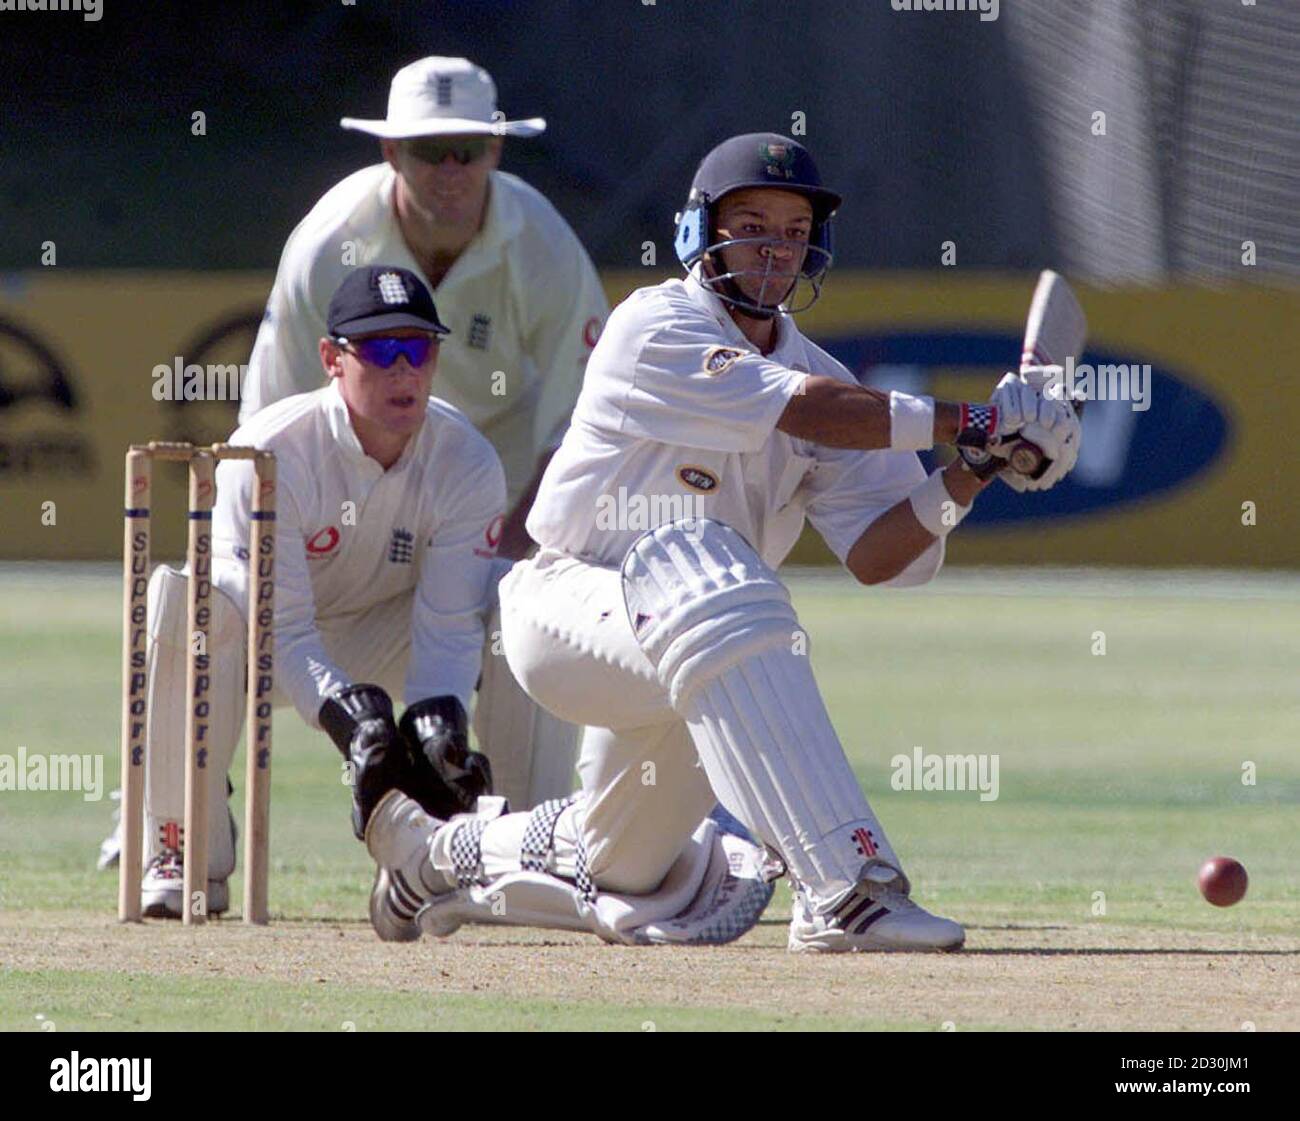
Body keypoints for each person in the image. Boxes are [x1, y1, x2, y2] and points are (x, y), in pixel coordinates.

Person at [347, 134, 1082, 951]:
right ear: (699, 233)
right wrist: (977, 417)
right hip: (568, 612)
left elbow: (884, 558)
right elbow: (801, 408)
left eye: (794, 231)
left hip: (707, 655)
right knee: (706, 559)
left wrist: (973, 469)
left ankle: (432, 854)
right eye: (752, 225)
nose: (774, 248)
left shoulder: (819, 374)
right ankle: (844, 888)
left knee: (622, 866)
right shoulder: (653, 326)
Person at [240, 55, 609, 804]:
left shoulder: (542, 246)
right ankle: (174, 830)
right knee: (212, 602)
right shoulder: (326, 242)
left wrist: (520, 532)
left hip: (493, 486)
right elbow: (269, 413)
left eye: (468, 149)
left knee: (523, 609)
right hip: (342, 490)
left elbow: (588, 413)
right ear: (389, 152)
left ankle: (519, 829)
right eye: (426, 150)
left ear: (497, 151)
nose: (450, 168)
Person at [131, 266, 503, 919]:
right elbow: (287, 627)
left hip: (384, 632)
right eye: (382, 350)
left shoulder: (466, 459)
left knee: (518, 598)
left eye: (419, 350)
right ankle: (182, 842)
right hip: (260, 643)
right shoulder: (267, 452)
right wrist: (354, 721)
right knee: (195, 594)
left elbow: (448, 627)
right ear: (332, 358)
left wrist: (437, 731)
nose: (404, 371)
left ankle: (510, 848)